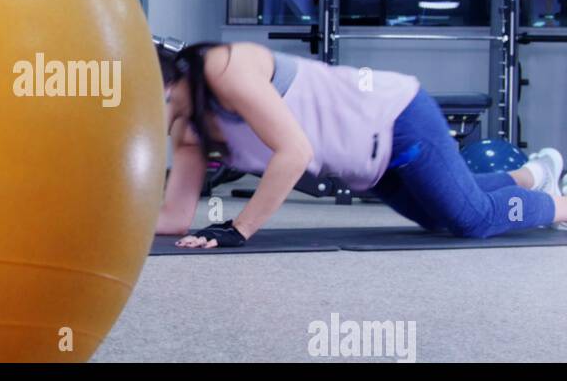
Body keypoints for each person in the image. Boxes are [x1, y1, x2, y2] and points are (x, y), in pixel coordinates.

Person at [154, 39, 566, 249]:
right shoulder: (187, 131)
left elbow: (295, 152)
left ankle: (559, 204)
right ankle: (532, 175)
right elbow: (174, 218)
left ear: (167, 81)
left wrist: (238, 228)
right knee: (439, 218)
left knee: (471, 219)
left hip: (395, 119)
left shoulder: (224, 67)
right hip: (364, 167)